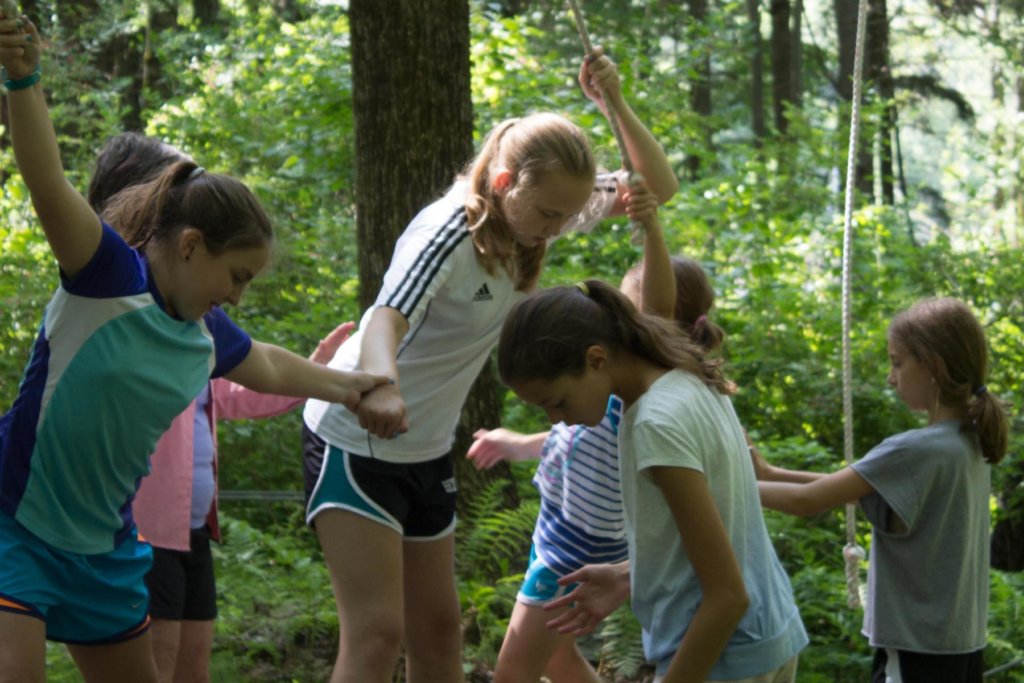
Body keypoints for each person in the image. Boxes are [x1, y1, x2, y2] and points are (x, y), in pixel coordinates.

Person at [0, 17, 388, 683]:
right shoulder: (105, 276)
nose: (238, 296)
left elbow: (266, 362)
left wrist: (351, 385)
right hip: (12, 521)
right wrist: (22, 75)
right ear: (189, 246)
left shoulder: (202, 332)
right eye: (237, 275)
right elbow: (46, 179)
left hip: (103, 548)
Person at [301, 48, 679, 683]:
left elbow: (658, 188)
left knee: (440, 632)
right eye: (549, 215)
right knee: (376, 634)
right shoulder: (447, 232)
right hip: (355, 439)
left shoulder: (539, 215)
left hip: (422, 450)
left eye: (568, 214)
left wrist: (612, 102)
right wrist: (383, 391)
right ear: (504, 184)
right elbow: (385, 319)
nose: (557, 229)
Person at [495, 276, 808, 683]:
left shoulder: (654, 423)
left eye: (557, 402)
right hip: (766, 636)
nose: (556, 420)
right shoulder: (687, 376)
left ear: (595, 358)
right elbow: (718, 532)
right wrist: (628, 574)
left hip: (724, 656)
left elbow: (728, 596)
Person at [467, 253, 731, 683]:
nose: (555, 417)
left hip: (574, 552)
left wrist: (649, 220)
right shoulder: (606, 390)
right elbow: (578, 438)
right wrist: (519, 444)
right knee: (556, 657)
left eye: (557, 403)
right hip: (558, 530)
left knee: (512, 672)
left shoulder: (636, 402)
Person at [754, 297, 1007, 683]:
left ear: (934, 367)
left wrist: (720, 481)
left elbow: (807, 503)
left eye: (897, 361)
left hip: (916, 653)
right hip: (959, 648)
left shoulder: (914, 450)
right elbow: (848, 490)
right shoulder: (967, 444)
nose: (891, 377)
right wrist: (768, 473)